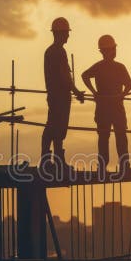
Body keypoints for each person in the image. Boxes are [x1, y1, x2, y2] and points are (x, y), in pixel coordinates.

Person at [81, 34, 131, 176]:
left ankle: (116, 166)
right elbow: (84, 75)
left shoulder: (113, 67)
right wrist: (95, 92)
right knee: (111, 137)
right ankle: (116, 167)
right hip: (110, 108)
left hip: (109, 107)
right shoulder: (108, 67)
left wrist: (121, 94)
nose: (114, 51)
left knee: (115, 137)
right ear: (107, 51)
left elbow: (129, 85)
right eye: (112, 49)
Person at [41, 17, 85, 171]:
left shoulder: (50, 51)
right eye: (66, 33)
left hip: (54, 95)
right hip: (60, 96)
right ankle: (55, 161)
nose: (68, 36)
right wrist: (77, 92)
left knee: (53, 127)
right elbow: (64, 76)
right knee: (57, 128)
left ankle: (49, 160)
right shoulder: (59, 51)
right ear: (60, 33)